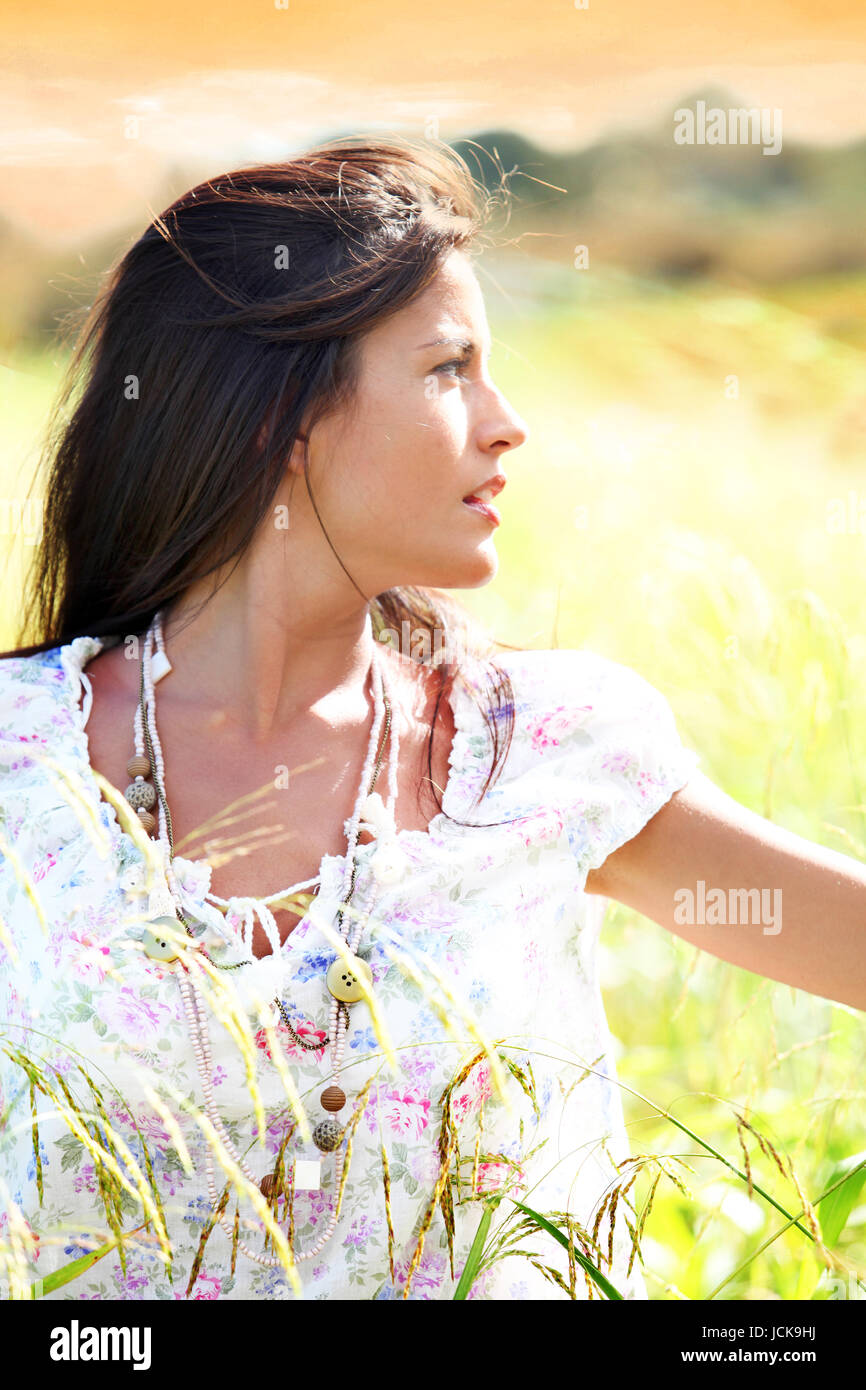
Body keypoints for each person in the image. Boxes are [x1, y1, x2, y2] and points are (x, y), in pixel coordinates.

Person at [0, 136, 863, 1302]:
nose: (506, 425)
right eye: (449, 368)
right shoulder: (21, 764)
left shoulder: (544, 749)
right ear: (279, 418)